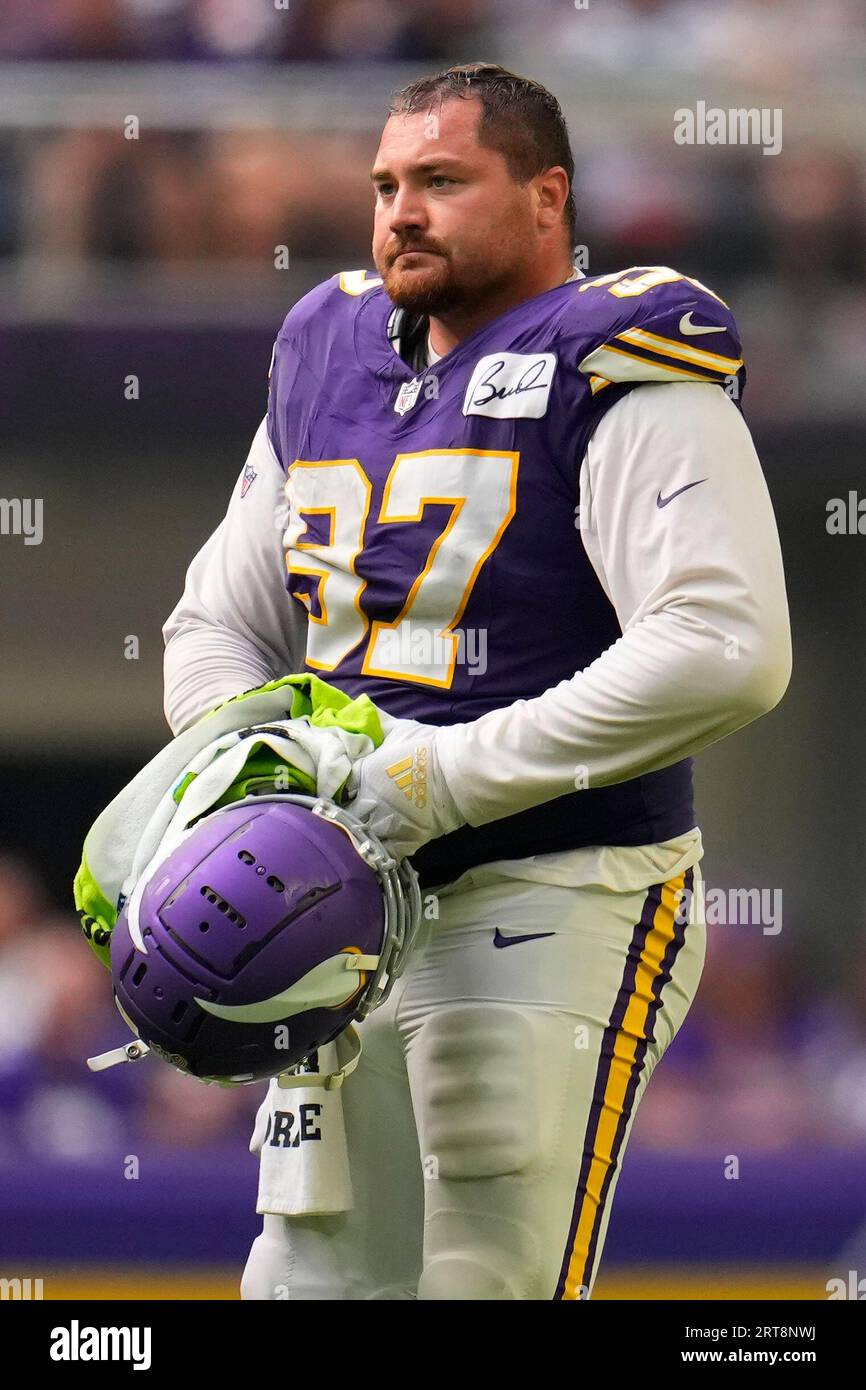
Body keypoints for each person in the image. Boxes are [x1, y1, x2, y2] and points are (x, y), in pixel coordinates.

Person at [162, 63, 791, 1300]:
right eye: (387, 185)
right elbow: (212, 625)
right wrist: (250, 777)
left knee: (479, 1281)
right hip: (338, 905)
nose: (401, 211)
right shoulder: (327, 350)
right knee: (308, 1280)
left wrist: (442, 778)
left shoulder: (613, 355)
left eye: (443, 181)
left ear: (546, 197)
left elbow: (725, 644)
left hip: (556, 886)